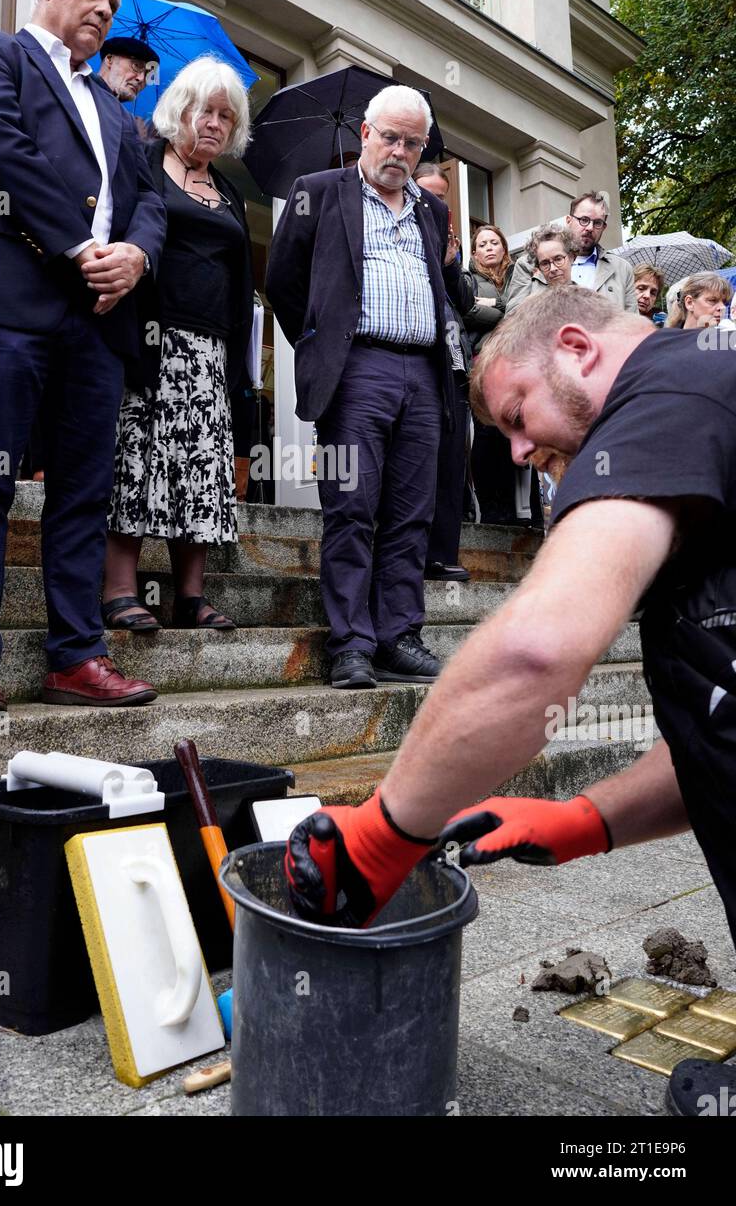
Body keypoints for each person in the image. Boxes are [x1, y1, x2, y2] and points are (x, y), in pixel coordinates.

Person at [285, 283, 736, 1115]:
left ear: (576, 348)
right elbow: (722, 725)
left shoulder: (671, 387)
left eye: (518, 416)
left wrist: (382, 838)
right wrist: (585, 821)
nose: (520, 452)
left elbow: (536, 651)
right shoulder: (705, 426)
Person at [0, 0, 166, 718]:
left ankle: (75, 655)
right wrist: (79, 243)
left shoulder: (117, 111)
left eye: (112, 0)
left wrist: (132, 253)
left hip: (97, 322)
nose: (102, 7)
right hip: (7, 299)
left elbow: (151, 200)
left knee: (83, 493)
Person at [266, 85, 474, 690]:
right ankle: (351, 644)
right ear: (365, 133)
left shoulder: (434, 213)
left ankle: (399, 635)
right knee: (352, 509)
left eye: (413, 142)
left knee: (414, 513)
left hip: (422, 371)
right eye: (390, 137)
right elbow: (283, 282)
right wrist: (322, 341)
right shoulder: (319, 193)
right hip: (357, 370)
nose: (400, 151)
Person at [103, 56, 253, 631]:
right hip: (150, 341)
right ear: (178, 111)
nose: (213, 123)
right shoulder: (144, 163)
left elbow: (241, 278)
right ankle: (121, 590)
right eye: (203, 110)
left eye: (224, 115)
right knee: (138, 460)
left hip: (209, 351)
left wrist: (239, 357)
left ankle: (189, 596)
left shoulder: (231, 192)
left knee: (200, 470)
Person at [413, 162, 472, 582]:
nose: (435, 202)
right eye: (427, 192)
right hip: (417, 364)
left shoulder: (451, 240)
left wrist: (451, 262)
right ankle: (410, 554)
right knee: (417, 464)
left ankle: (442, 554)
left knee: (451, 464)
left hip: (453, 367)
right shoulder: (402, 231)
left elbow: (466, 300)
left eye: (441, 195)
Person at [463, 223, 517, 525]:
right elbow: (468, 311)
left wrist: (496, 304)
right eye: (482, 244)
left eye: (494, 242)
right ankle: (491, 510)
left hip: (515, 363)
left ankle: (511, 510)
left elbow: (520, 309)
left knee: (510, 434)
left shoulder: (516, 276)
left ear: (503, 247)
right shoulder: (467, 279)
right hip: (483, 364)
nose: (488, 248)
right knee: (485, 434)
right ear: (474, 252)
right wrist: (503, 310)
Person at [510, 190, 637, 312]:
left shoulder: (621, 268)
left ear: (604, 227)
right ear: (569, 221)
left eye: (597, 223)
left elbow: (632, 324)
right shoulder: (528, 263)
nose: (590, 228)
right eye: (584, 220)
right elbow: (513, 318)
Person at [505, 222, 579, 313]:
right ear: (538, 267)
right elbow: (511, 318)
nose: (553, 268)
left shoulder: (586, 299)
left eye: (558, 259)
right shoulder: (533, 298)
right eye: (545, 263)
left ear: (572, 257)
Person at [665, 271, 732, 330]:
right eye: (712, 300)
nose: (722, 307)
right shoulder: (667, 340)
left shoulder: (726, 340)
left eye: (724, 302)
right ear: (689, 303)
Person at [97, 37, 156, 103]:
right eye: (136, 66)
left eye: (147, 75)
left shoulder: (119, 112)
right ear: (109, 59)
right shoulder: (84, 92)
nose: (141, 78)